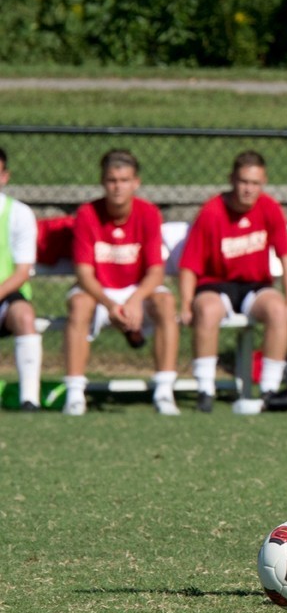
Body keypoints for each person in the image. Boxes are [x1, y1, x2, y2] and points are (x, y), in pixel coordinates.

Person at [178, 150, 287, 412]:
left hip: (254, 286)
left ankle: (269, 389)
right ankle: (205, 389)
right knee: (207, 311)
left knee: (277, 310)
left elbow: (286, 258)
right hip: (216, 284)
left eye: (255, 183)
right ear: (232, 179)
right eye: (243, 182)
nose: (248, 189)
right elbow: (189, 265)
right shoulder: (211, 211)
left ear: (263, 181)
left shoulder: (270, 208)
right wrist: (187, 304)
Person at [63, 149, 180, 416]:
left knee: (166, 301)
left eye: (124, 180)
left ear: (136, 182)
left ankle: (164, 391)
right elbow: (83, 273)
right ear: (103, 182)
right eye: (112, 180)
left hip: (135, 291)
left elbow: (155, 271)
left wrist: (134, 300)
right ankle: (75, 394)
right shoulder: (87, 214)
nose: (118, 187)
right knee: (79, 304)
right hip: (99, 291)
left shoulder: (148, 213)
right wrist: (110, 304)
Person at [0, 148, 43, 412]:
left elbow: (22, 271)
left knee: (25, 316)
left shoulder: (19, 213)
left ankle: (30, 399)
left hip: (5, 296)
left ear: (5, 176)